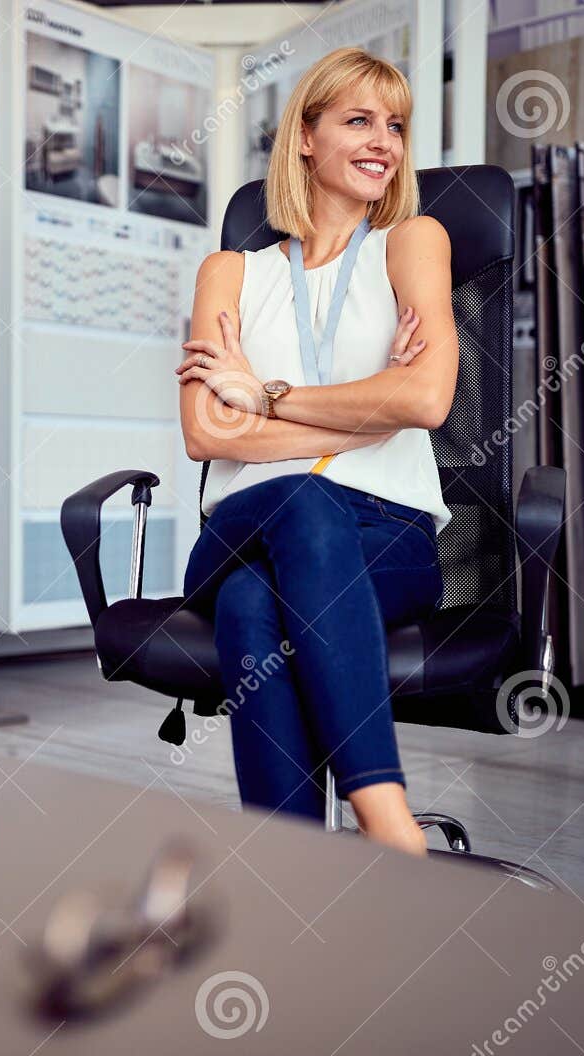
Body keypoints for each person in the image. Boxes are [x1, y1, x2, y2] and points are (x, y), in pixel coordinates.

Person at [175, 47, 456, 856]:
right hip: (245, 527)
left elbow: (426, 401)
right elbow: (205, 433)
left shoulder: (412, 242)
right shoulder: (231, 273)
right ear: (305, 135)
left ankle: (289, 872)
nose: (384, 143)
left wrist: (263, 395)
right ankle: (388, 821)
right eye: (359, 120)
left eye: (395, 126)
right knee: (301, 500)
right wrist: (370, 413)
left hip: (388, 536)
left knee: (251, 604)